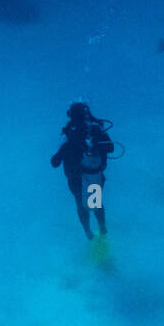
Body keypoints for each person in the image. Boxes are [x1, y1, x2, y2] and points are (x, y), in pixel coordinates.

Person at [50, 102, 114, 240]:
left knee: (81, 203)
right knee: (95, 203)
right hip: (94, 174)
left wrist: (67, 150)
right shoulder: (96, 129)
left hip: (75, 177)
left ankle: (88, 233)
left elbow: (55, 162)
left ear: (70, 115)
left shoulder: (69, 133)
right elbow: (111, 148)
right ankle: (102, 229)